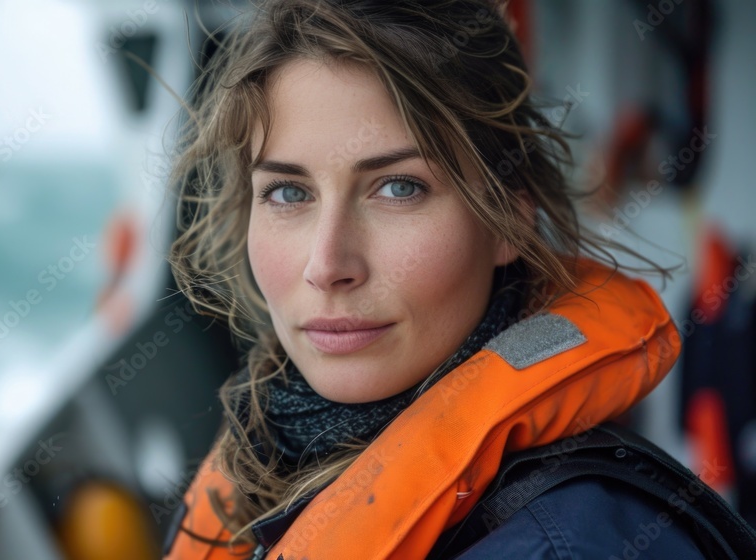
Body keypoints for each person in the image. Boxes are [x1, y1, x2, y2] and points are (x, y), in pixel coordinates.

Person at [159, 1, 745, 558]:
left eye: (399, 188)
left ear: (508, 220)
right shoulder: (271, 464)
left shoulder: (568, 545)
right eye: (289, 192)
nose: (327, 264)